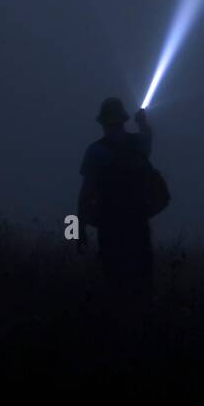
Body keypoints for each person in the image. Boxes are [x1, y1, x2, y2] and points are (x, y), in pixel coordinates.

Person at [78, 97, 154, 292]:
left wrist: (80, 230)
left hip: (110, 226)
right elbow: (147, 138)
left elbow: (86, 193)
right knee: (141, 283)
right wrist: (142, 122)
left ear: (103, 122)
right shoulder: (137, 144)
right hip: (138, 225)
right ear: (123, 120)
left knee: (114, 282)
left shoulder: (95, 151)